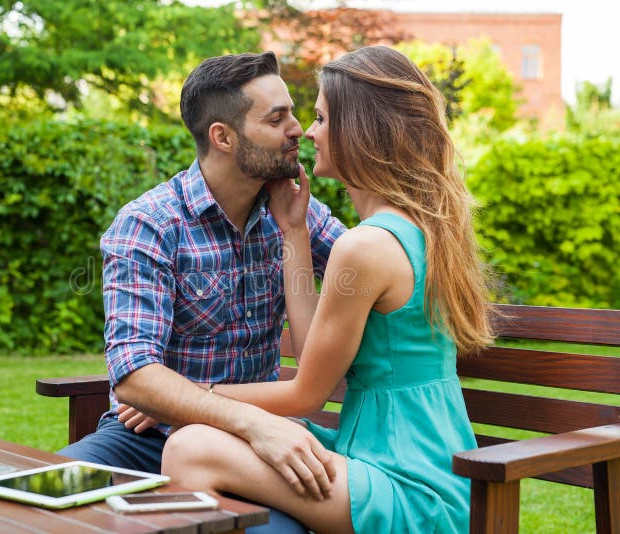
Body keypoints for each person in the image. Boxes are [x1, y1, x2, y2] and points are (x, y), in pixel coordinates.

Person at [160, 45, 494, 533]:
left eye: (319, 118)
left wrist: (188, 393)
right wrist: (294, 233)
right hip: (412, 462)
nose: (307, 132)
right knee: (228, 437)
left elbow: (305, 393)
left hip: (409, 487)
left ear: (359, 130)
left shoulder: (366, 246)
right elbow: (316, 357)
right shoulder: (418, 227)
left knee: (189, 446)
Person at [57, 51, 346, 531]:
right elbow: (134, 376)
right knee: (33, 501)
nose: (298, 129)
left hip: (250, 455)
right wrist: (249, 419)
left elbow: (373, 275)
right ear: (223, 137)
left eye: (294, 112)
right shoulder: (148, 225)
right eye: (277, 118)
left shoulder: (297, 212)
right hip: (147, 441)